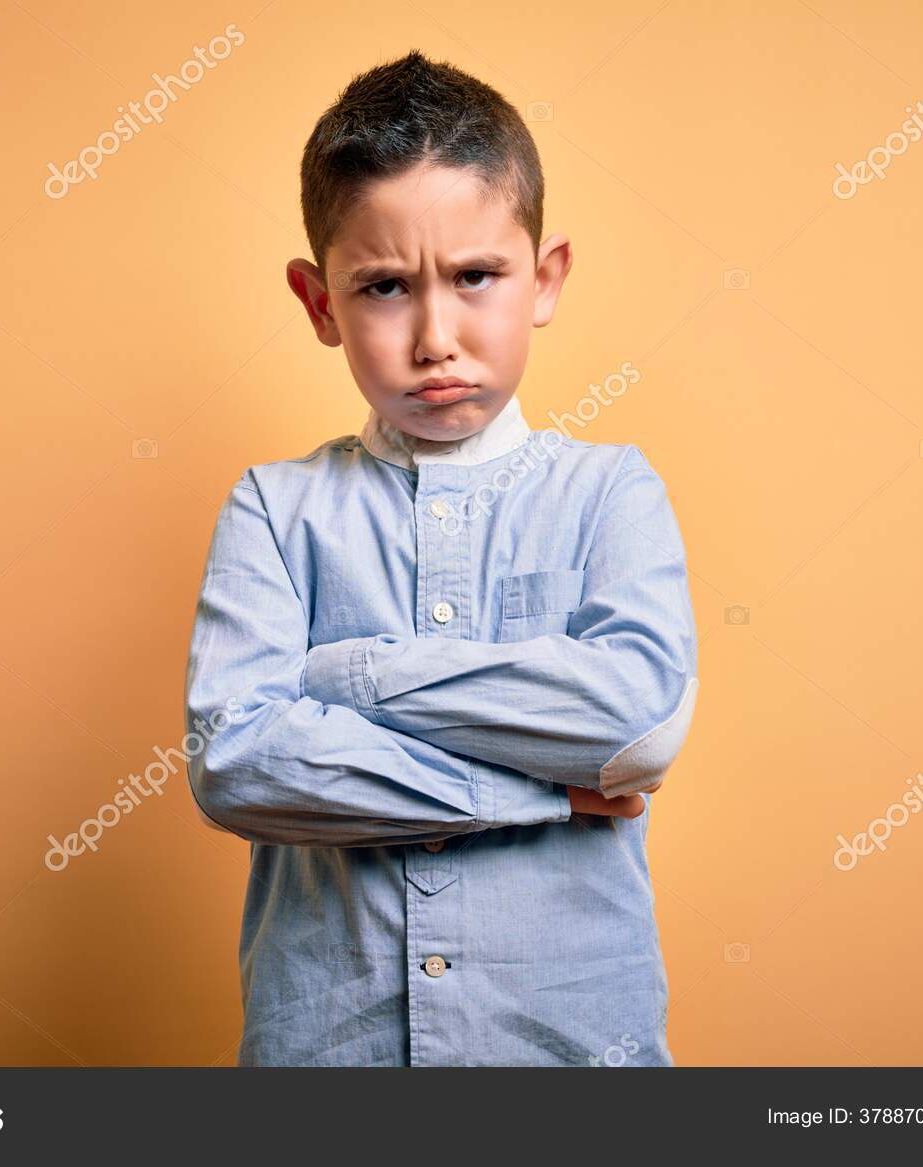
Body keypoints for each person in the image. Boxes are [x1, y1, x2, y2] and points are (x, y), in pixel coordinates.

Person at [185, 50, 699, 1066]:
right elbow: (236, 764)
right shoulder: (273, 512)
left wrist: (348, 677)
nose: (434, 337)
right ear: (318, 302)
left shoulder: (611, 493)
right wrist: (540, 792)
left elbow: (635, 725)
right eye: (382, 287)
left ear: (542, 280)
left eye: (475, 277)